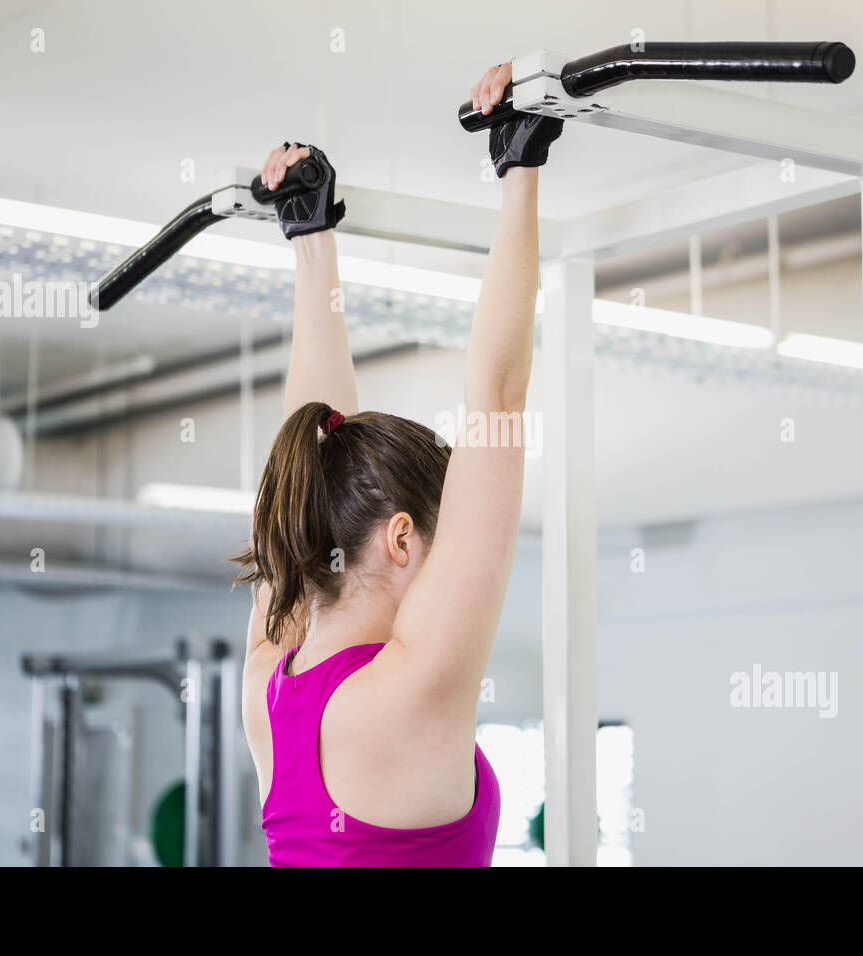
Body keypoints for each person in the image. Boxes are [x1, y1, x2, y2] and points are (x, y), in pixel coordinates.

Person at [233, 62, 563, 866]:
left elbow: (315, 434)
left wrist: (520, 164)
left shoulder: (269, 689)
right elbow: (489, 400)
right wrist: (516, 166)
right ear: (404, 538)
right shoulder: (402, 690)